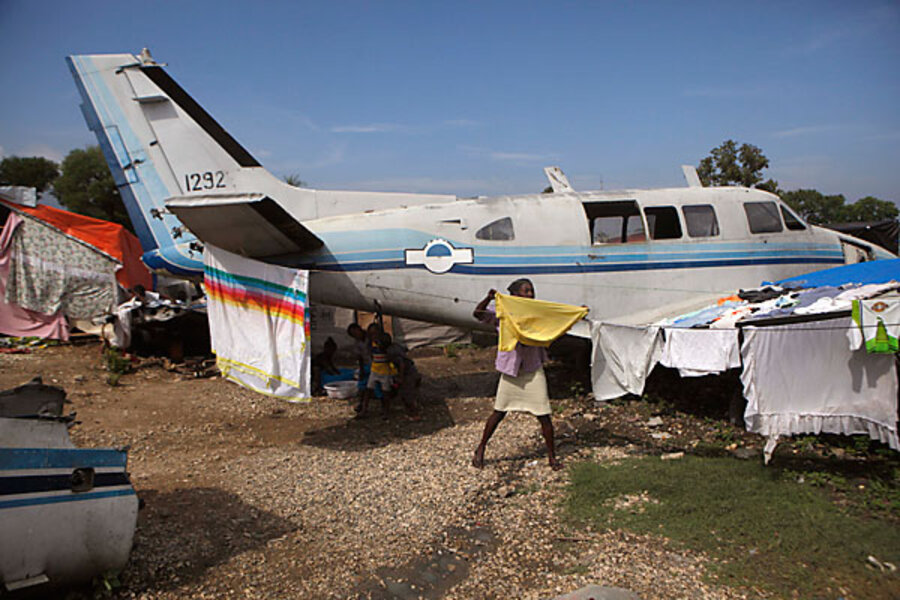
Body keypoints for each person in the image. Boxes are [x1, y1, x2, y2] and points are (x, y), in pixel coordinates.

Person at [472, 278, 561, 470]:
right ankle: (480, 448)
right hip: (512, 371)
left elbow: (557, 320)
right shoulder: (504, 312)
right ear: (514, 295)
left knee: (544, 414)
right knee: (499, 412)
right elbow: (478, 314)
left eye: (531, 291)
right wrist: (488, 298)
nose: (530, 294)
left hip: (532, 368)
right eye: (526, 291)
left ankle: (552, 457)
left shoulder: (537, 312)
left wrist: (578, 313)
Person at [384, 333, 422, 420]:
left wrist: (400, 376)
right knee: (408, 393)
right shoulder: (396, 346)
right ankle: (411, 411)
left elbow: (401, 363)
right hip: (411, 370)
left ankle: (414, 414)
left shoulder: (390, 351)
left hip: (407, 373)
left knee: (407, 395)